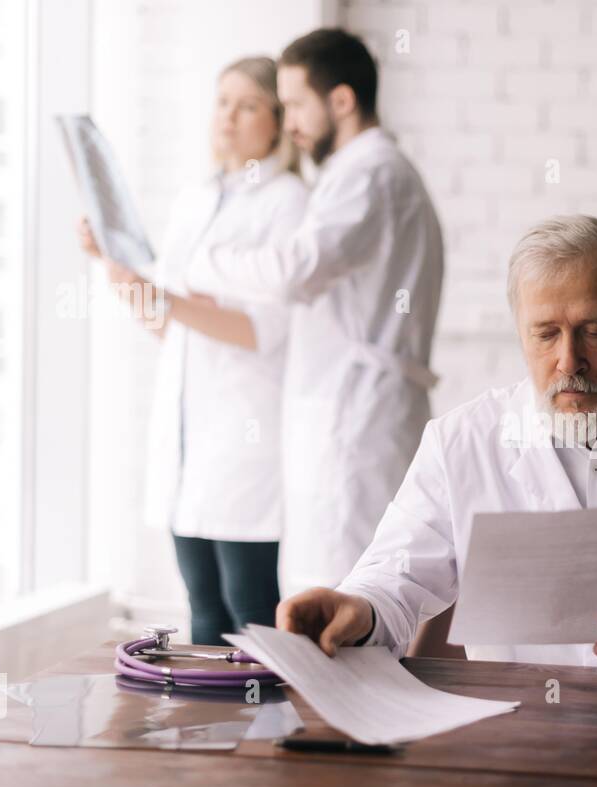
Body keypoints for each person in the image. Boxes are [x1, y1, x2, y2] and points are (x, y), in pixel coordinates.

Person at [277, 215, 597, 677]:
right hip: (513, 735)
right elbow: (395, 577)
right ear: (520, 333)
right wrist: (358, 607)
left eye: (594, 331)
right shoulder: (461, 443)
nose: (569, 362)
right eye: (545, 334)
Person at [184, 28, 444, 596]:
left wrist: (204, 261)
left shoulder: (370, 173)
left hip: (355, 419)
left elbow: (295, 270)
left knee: (345, 599)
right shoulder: (367, 174)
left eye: (297, 104)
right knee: (350, 591)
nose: (290, 121)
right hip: (351, 414)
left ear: (342, 101)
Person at [79, 57, 307, 645]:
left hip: (243, 438)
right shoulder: (196, 199)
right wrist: (112, 265)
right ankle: (213, 736)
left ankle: (267, 734)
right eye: (222, 101)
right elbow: (169, 326)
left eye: (248, 104)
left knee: (250, 609)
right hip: (187, 441)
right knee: (202, 608)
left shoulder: (287, 202)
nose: (228, 116)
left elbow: (262, 331)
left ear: (278, 121)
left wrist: (167, 297)